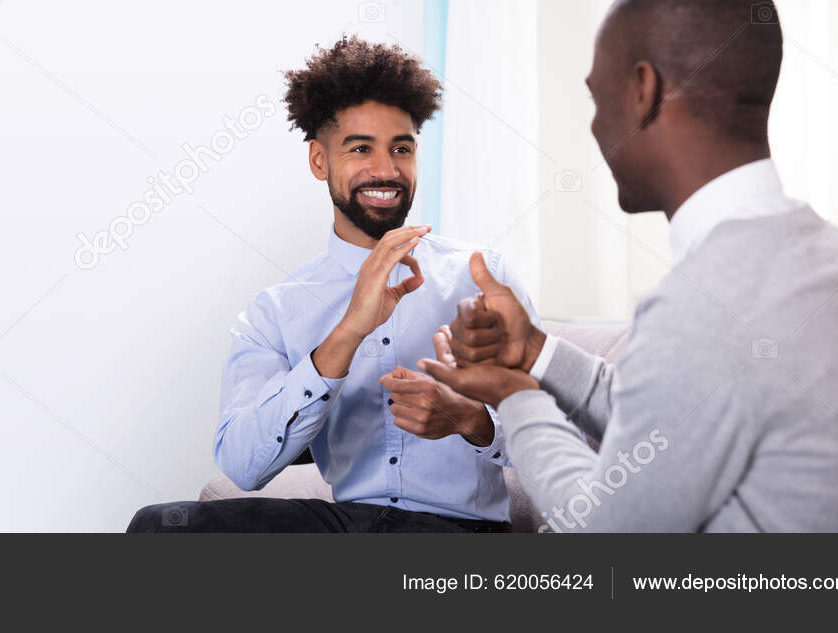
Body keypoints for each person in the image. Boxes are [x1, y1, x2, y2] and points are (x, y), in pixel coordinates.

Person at [420, 0, 838, 532]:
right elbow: (673, 423)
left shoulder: (704, 301)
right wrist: (533, 351)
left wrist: (513, 395)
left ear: (643, 91)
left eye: (597, 100)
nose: (595, 128)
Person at [127, 36, 537, 532]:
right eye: (360, 148)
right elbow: (241, 465)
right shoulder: (275, 311)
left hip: (457, 530)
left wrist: (472, 420)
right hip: (344, 524)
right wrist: (347, 333)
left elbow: (557, 443)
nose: (386, 170)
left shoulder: (480, 277)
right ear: (320, 161)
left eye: (401, 148)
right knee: (161, 526)